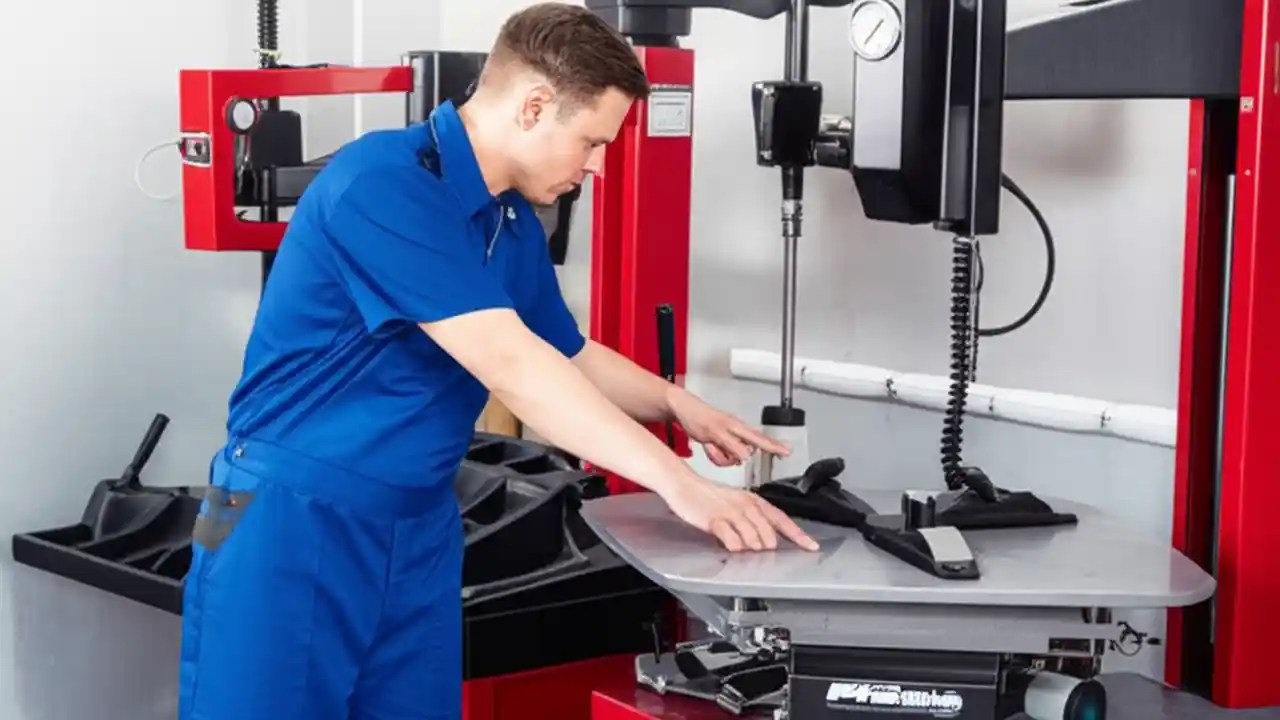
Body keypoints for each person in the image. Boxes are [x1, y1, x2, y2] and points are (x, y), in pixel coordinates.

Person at [177, 3, 818, 719]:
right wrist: (682, 486)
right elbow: (513, 366)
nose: (599, 166)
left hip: (417, 527)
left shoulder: (509, 222)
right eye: (592, 141)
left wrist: (678, 406)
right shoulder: (383, 185)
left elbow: (564, 353)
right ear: (535, 106)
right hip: (278, 515)